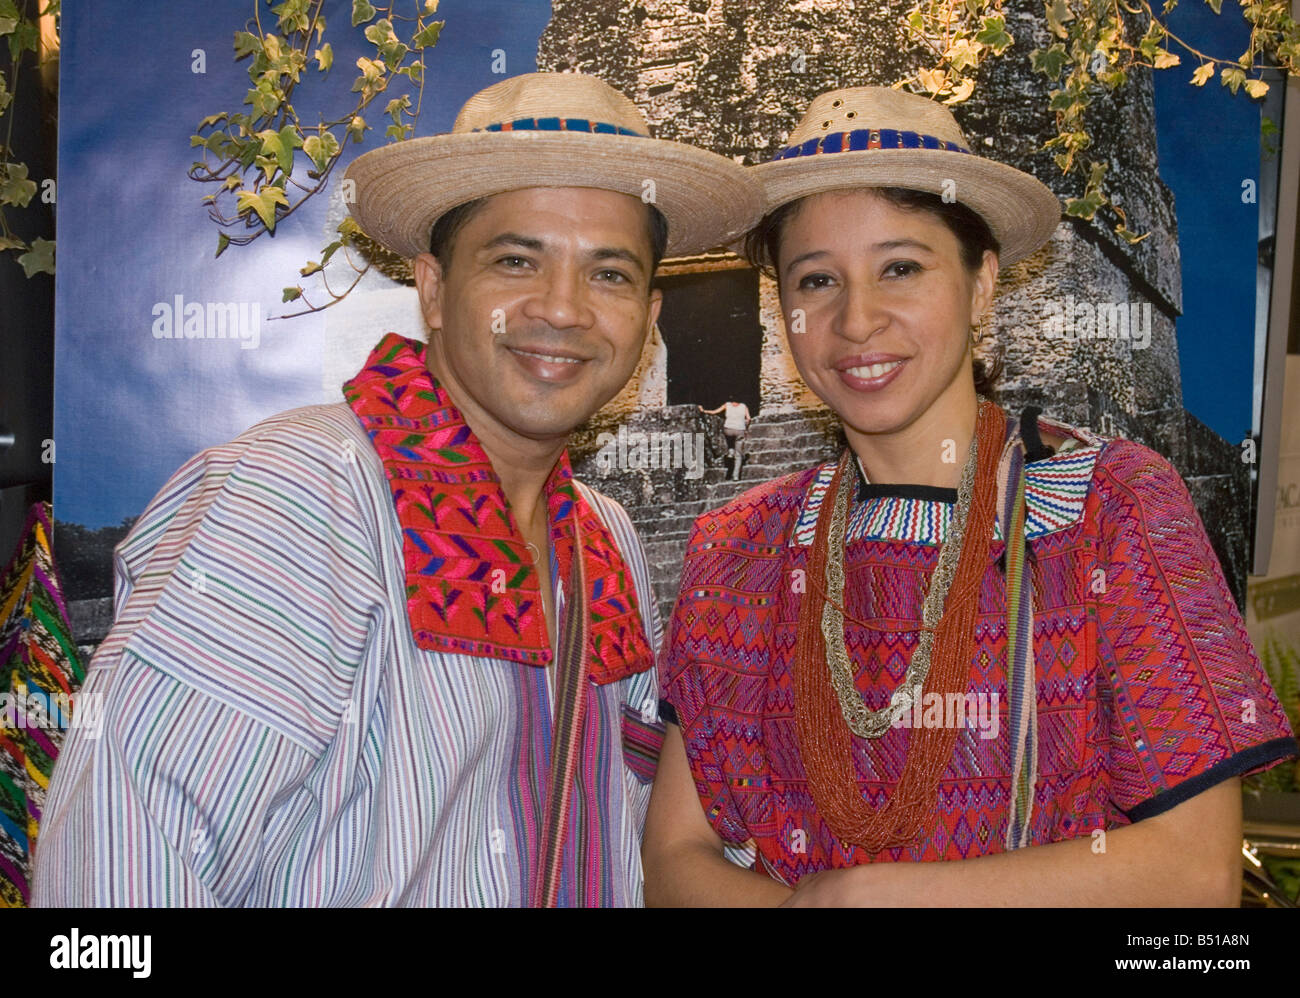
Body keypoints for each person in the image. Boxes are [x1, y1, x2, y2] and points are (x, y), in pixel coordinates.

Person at [33, 72, 762, 907]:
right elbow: (119, 866)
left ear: (648, 311)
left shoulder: (603, 537)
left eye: (610, 275)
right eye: (516, 259)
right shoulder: (295, 497)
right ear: (432, 287)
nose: (563, 309)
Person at [643, 85, 1300, 906]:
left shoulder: (1104, 507)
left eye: (901, 268)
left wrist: (868, 900)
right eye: (817, 281)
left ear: (981, 283)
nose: (857, 320)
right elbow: (675, 858)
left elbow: (1192, 872)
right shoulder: (740, 548)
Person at [699, 400, 752, 479]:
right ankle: (736, 476)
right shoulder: (744, 406)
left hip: (728, 429)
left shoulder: (727, 405)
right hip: (740, 430)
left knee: (730, 439)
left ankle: (730, 451)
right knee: (738, 454)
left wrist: (703, 411)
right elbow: (749, 419)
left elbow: (715, 412)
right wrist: (746, 427)